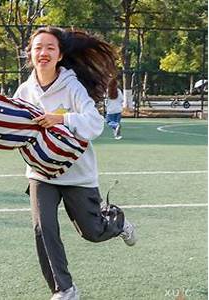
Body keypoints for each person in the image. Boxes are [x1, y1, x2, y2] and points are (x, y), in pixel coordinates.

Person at [12, 27, 137, 300]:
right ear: (29, 54)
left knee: (92, 232)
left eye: (50, 48)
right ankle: (65, 289)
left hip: (77, 174)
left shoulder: (72, 86)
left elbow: (95, 124)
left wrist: (62, 119)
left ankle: (118, 223)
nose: (43, 53)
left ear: (59, 55)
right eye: (38, 48)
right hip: (41, 173)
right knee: (43, 228)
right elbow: (13, 126)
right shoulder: (23, 91)